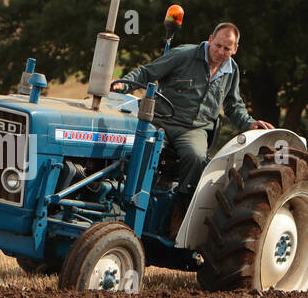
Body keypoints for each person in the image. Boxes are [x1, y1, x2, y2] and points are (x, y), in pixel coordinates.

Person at [112, 21, 273, 214]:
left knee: (196, 157)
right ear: (210, 39)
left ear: (235, 49)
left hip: (193, 129)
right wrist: (123, 85)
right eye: (218, 45)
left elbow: (233, 105)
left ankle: (180, 209)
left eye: (227, 48)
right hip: (160, 120)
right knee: (142, 147)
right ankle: (125, 198)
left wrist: (249, 124)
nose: (220, 52)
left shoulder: (232, 71)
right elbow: (147, 72)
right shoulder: (183, 55)